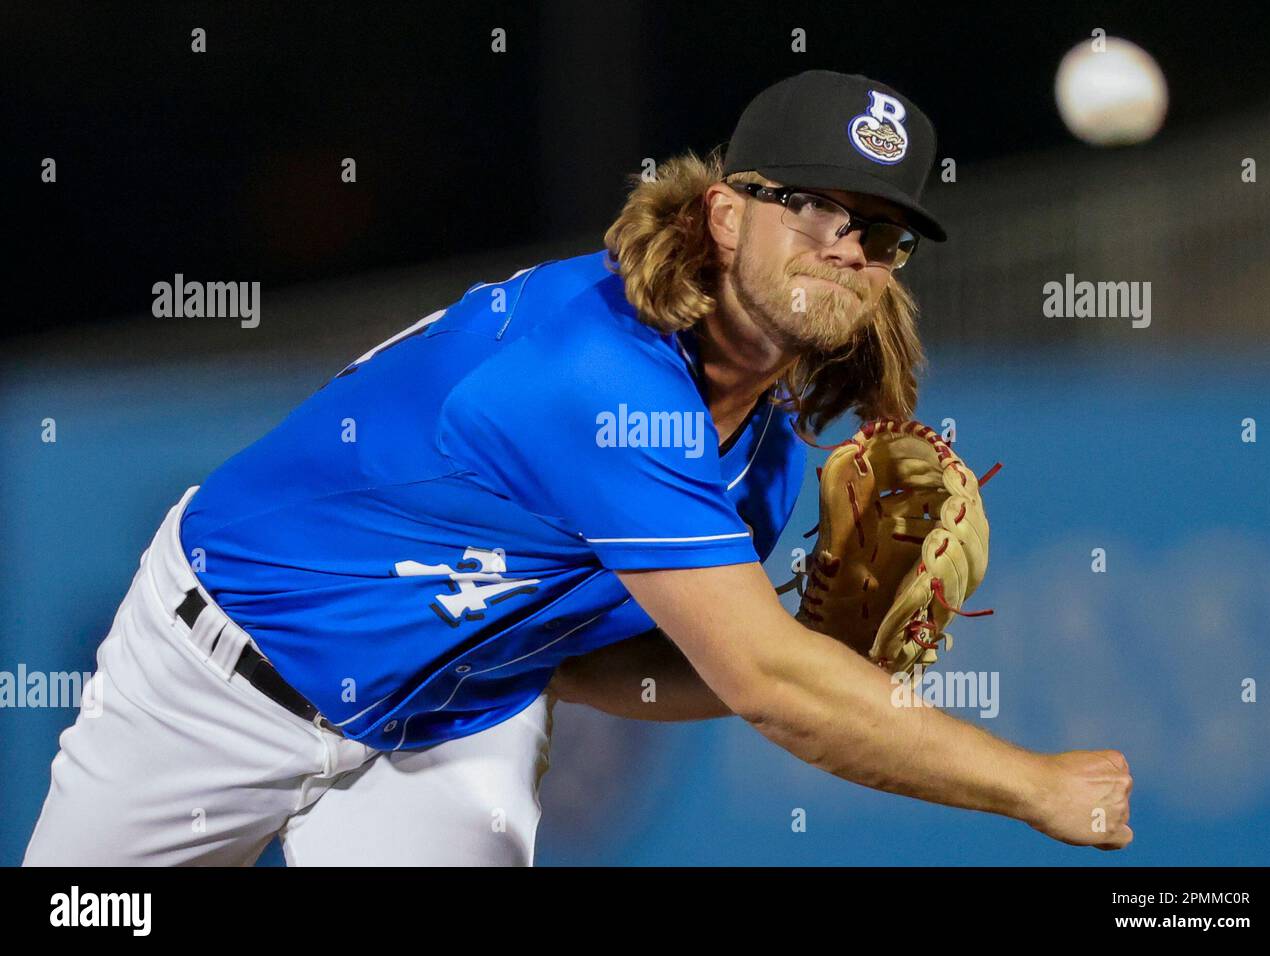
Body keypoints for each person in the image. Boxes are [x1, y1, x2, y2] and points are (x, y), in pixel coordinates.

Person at [24, 70, 1131, 867]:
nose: (848, 243)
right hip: (216, 679)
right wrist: (1030, 783)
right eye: (815, 205)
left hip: (448, 713)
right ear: (726, 212)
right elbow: (769, 687)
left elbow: (596, 664)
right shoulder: (598, 374)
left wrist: (824, 651)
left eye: (881, 232)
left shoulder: (765, 447)